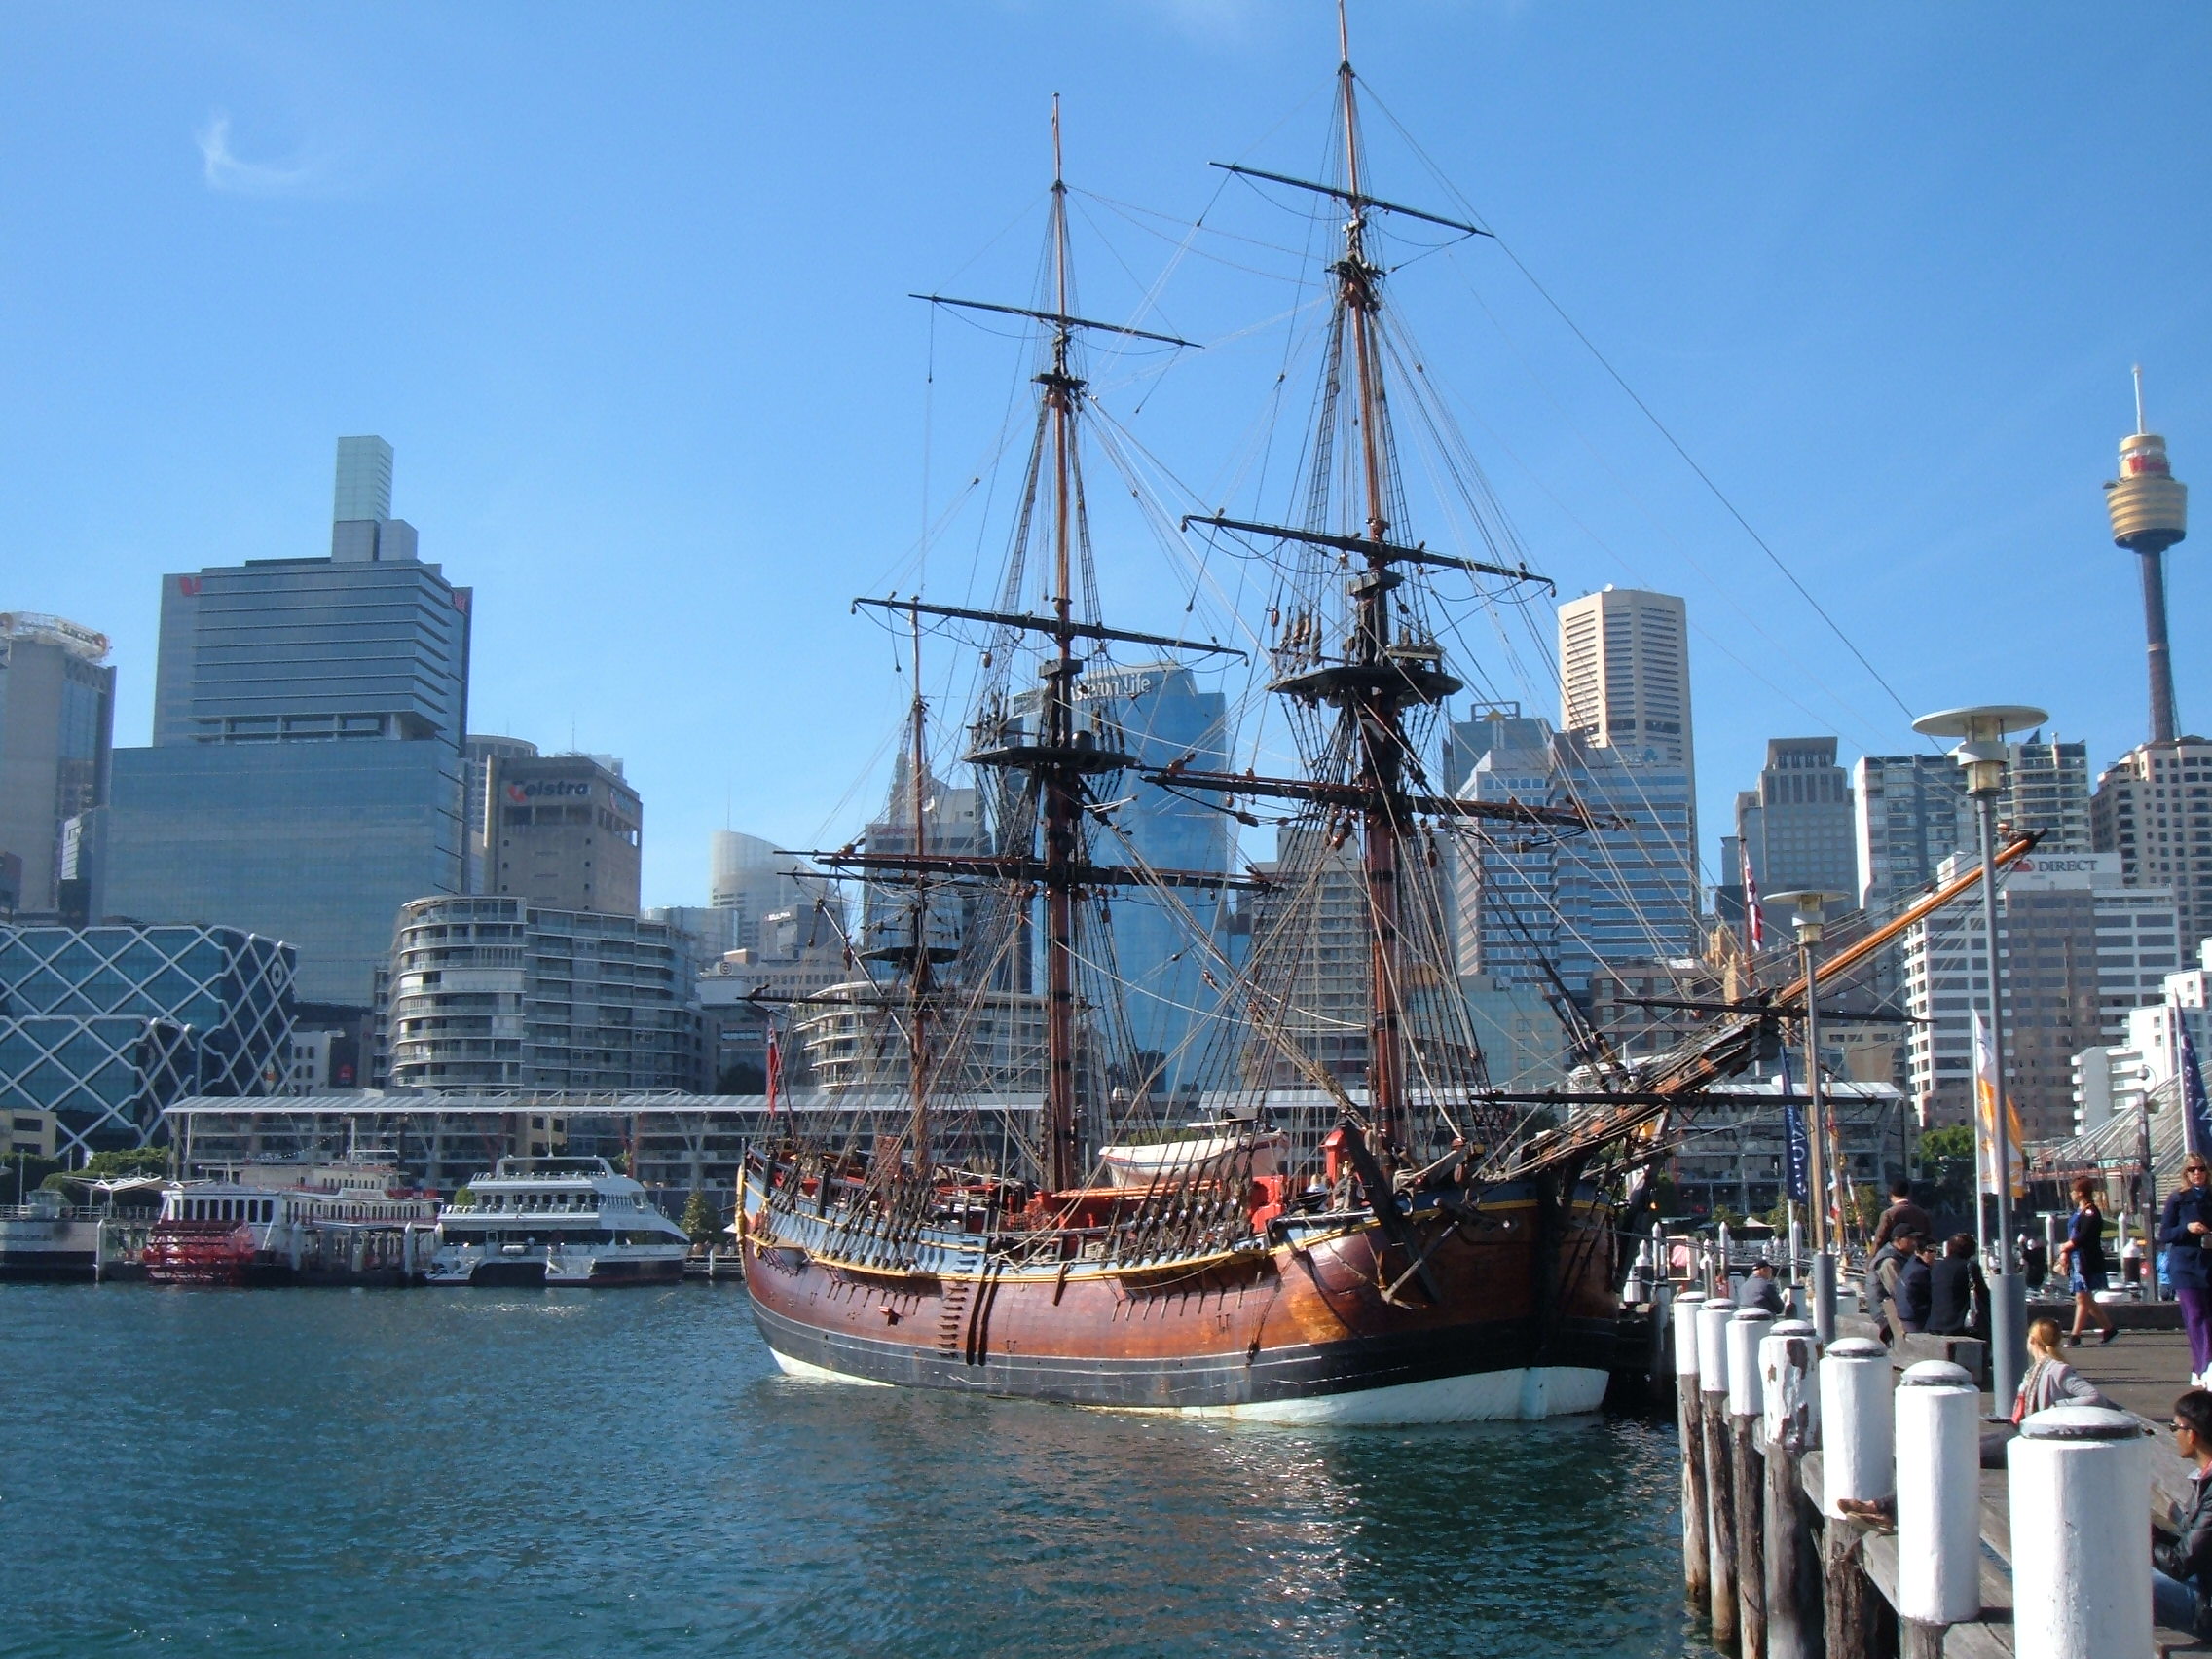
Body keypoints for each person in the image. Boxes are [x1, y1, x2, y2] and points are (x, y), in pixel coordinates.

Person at [2155, 1388, 2212, 1640]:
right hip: (2202, 1584)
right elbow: (2189, 1546)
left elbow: (2180, 1563)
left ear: (2192, 1435)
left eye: (2174, 1426)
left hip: (2206, 1605)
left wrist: (2143, 1541)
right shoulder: (2205, 1480)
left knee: (2125, 1580)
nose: (2173, 1432)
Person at [2162, 1153, 2212, 1386]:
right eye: (2192, 1170)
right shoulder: (2178, 1198)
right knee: (2195, 1316)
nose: (2197, 1174)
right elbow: (2164, 1234)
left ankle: (2200, 1366)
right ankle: (2205, 1365)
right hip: (2185, 1265)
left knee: (2208, 1317)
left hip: (2208, 1262)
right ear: (2186, 1173)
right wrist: (2187, 1227)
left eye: (2201, 1169)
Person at [2057, 1176, 2119, 1346]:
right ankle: (2109, 1328)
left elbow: (2083, 1236)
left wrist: (2065, 1247)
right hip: (2076, 1258)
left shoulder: (2091, 1212)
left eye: (2073, 1190)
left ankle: (2075, 1335)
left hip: (2086, 1259)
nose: (2071, 1194)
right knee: (2085, 1298)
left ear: (2080, 1192)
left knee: (2082, 1297)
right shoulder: (2079, 1211)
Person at [2013, 1317, 2114, 1419]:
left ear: (2031, 1339)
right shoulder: (2033, 1371)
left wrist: (2058, 1406)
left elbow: (2094, 1397)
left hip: (2053, 1429)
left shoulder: (2057, 1370)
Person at [1927, 1234, 1989, 1337]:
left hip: (1935, 1325)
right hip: (1959, 1326)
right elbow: (1984, 1296)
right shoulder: (1969, 1266)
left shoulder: (1937, 1266)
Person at [1867, 1227, 1919, 1343]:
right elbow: (1898, 1291)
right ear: (1898, 1240)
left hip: (1892, 1309)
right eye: (1910, 1239)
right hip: (1884, 1314)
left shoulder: (1900, 1256)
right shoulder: (1889, 1261)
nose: (1914, 1242)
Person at [1870, 1175, 1934, 1253]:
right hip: (1917, 1259)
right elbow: (1929, 1239)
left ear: (1891, 1195)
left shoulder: (1888, 1214)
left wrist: (1870, 1262)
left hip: (1896, 1258)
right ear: (1908, 1193)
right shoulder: (1922, 1214)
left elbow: (1879, 1242)